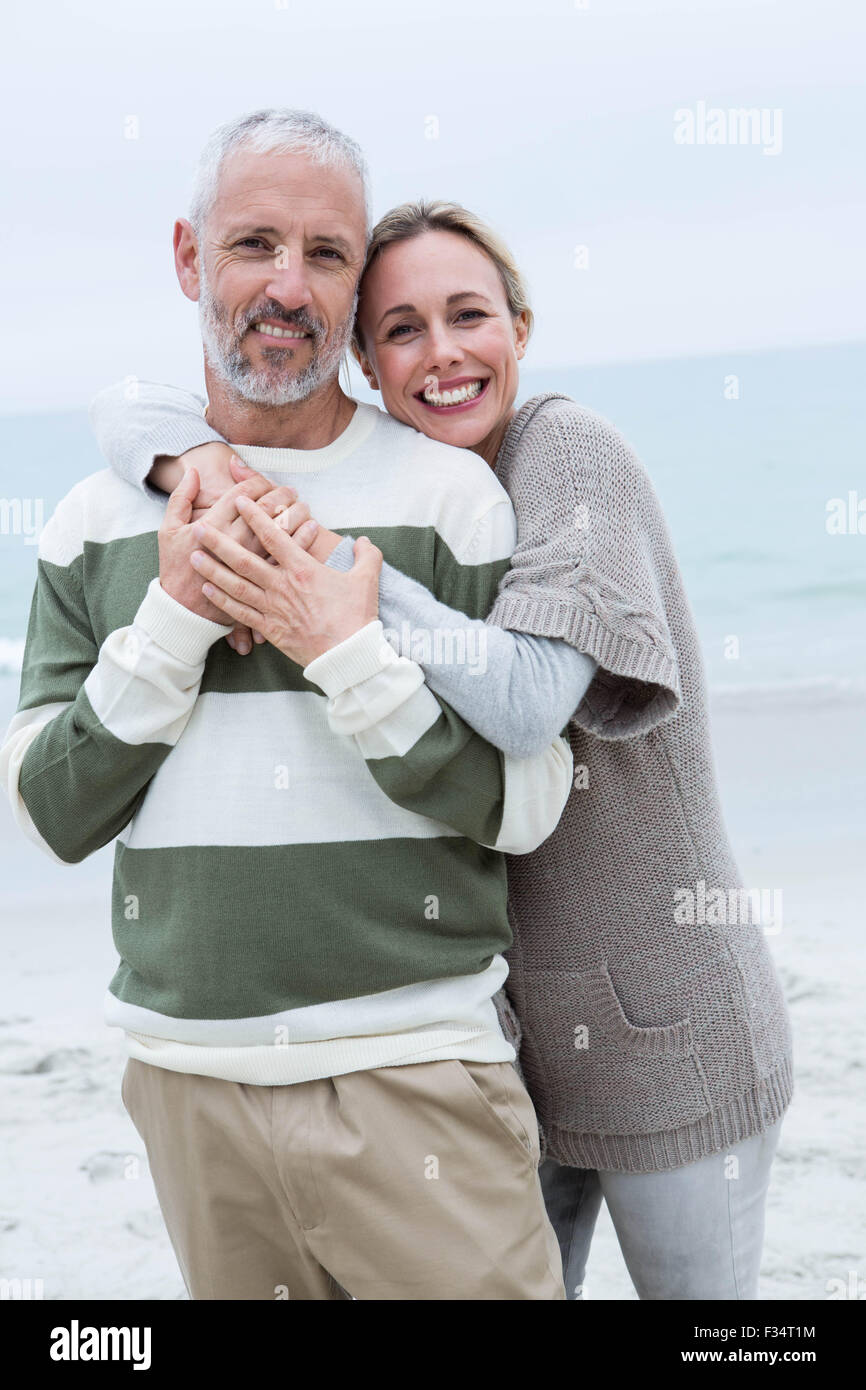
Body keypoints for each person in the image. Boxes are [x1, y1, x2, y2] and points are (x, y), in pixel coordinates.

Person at [93, 197, 794, 1301]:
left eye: (468, 315)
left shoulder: (565, 454)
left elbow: (523, 702)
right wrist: (193, 463)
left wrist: (330, 571)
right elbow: (132, 409)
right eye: (402, 328)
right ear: (363, 359)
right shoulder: (422, 492)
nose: (442, 353)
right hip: (509, 1038)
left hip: (666, 1021)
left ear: (520, 326)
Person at [0, 110, 578, 1301]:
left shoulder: (451, 496)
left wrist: (348, 651)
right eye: (253, 242)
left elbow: (525, 805)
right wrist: (172, 623)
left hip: (416, 1074)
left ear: (358, 277)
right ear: (185, 258)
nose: (286, 283)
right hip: (187, 1083)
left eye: (325, 253)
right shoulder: (92, 521)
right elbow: (49, 812)